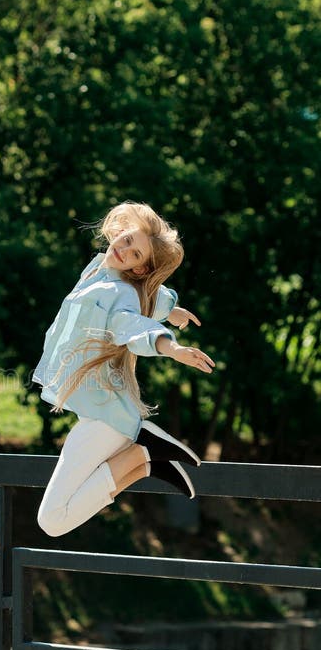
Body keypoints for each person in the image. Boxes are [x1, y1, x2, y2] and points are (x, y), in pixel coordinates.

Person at [33, 201, 215, 537]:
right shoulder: (99, 270)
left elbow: (131, 324)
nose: (124, 251)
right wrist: (170, 307)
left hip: (105, 420)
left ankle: (143, 451)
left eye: (135, 256)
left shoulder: (120, 293)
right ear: (120, 230)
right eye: (128, 241)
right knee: (58, 515)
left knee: (52, 521)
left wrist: (170, 347)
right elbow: (144, 292)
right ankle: (145, 462)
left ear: (139, 269)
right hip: (98, 415)